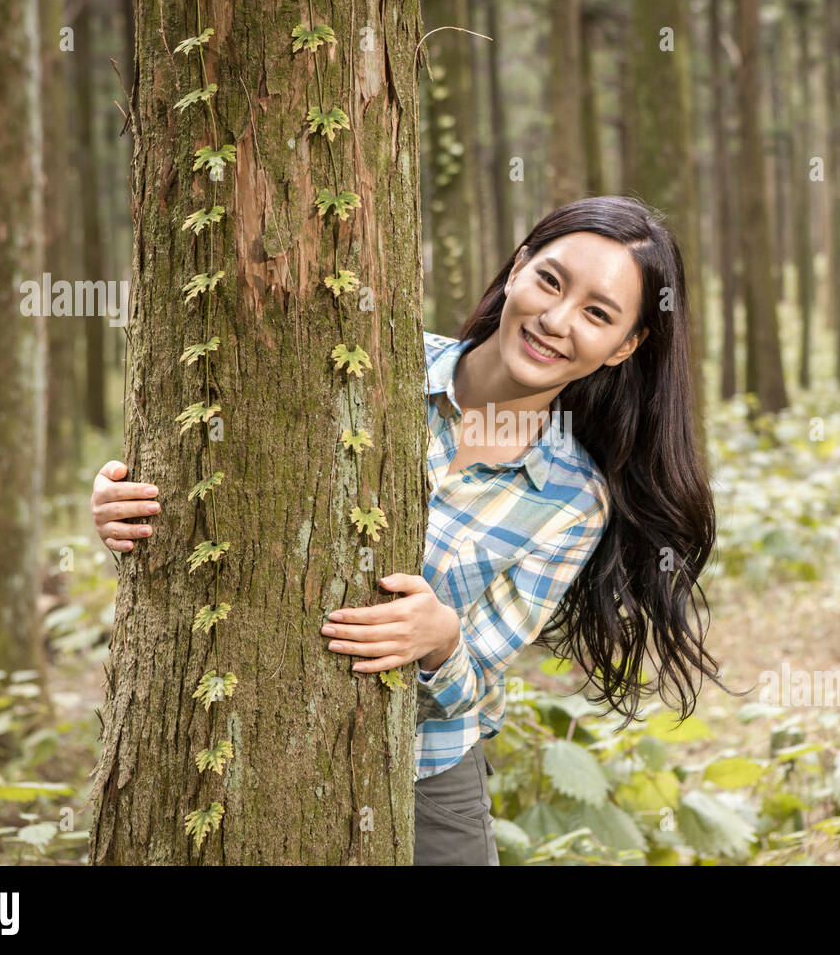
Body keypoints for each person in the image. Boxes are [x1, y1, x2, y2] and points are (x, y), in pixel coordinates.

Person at [89, 195, 725, 865]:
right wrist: (125, 506)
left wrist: (442, 640)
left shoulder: (574, 498)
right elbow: (233, 497)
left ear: (624, 346)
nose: (556, 319)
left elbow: (471, 682)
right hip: (253, 732)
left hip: (428, 767)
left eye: (597, 314)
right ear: (517, 268)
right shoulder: (374, 363)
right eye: (550, 280)